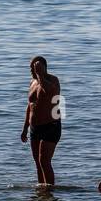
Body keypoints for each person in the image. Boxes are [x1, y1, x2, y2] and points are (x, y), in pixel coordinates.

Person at [20, 56, 62, 187]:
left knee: (44, 160)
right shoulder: (32, 82)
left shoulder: (52, 80)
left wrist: (40, 75)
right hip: (35, 127)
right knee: (37, 162)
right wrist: (25, 128)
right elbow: (30, 105)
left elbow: (49, 92)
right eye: (31, 68)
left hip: (51, 125)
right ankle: (42, 190)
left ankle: (50, 190)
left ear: (44, 67)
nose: (33, 70)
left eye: (36, 67)